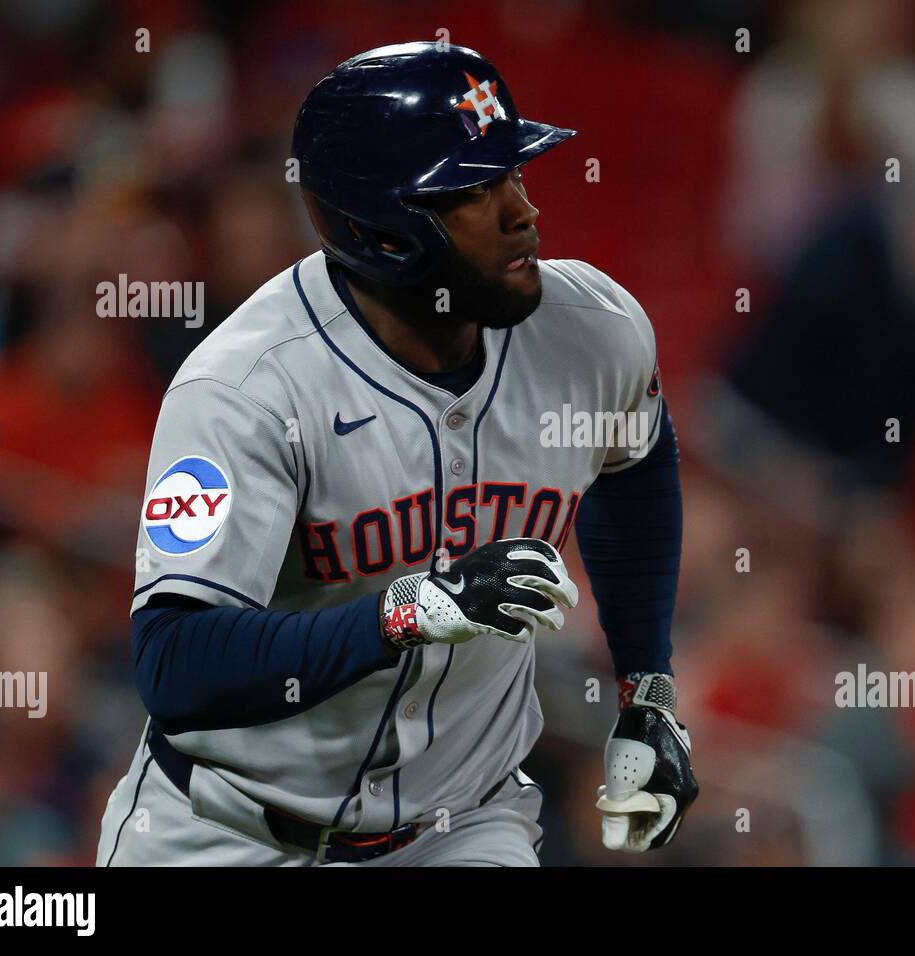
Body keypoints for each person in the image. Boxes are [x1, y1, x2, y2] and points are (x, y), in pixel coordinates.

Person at [96, 41, 696, 867]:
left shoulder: (593, 330)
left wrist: (646, 692)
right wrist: (403, 612)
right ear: (381, 231)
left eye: (515, 173)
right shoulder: (249, 388)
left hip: (464, 829)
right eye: (474, 192)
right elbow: (175, 665)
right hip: (228, 832)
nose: (523, 211)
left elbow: (638, 469)